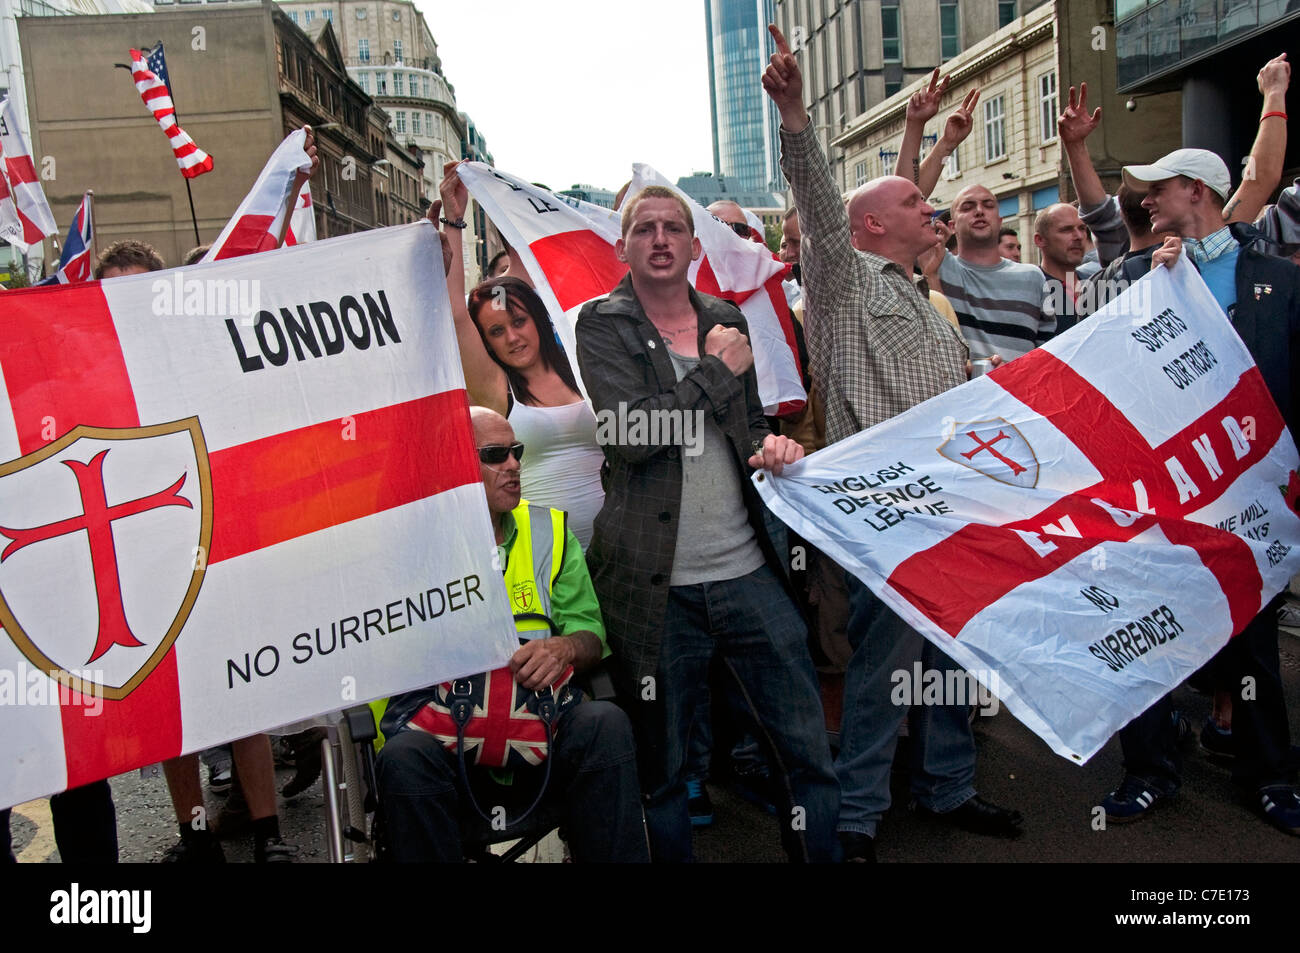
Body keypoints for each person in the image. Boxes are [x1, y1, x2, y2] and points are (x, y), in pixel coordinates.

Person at [765, 25, 1022, 862]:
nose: (933, 207)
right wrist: (798, 116)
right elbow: (816, 199)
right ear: (871, 227)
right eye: (915, 203)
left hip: (952, 501)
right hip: (887, 510)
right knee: (885, 662)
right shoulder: (840, 283)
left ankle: (946, 785)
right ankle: (859, 815)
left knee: (951, 644)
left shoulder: (922, 297)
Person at [575, 182, 840, 863]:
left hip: (749, 570)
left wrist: (774, 448)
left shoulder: (726, 316)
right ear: (623, 246)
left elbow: (745, 427)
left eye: (674, 227)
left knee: (806, 755)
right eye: (645, 228)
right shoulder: (602, 323)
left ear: (695, 246)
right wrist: (715, 371)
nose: (660, 238)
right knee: (664, 774)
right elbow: (631, 433)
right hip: (657, 588)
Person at [1094, 147, 1300, 836]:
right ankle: (1149, 770)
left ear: (1197, 190)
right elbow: (1096, 374)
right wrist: (1147, 299)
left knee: (1253, 643)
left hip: (1249, 498)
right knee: (1148, 629)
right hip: (1159, 492)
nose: (1145, 200)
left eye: (1157, 189)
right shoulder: (1131, 276)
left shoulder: (1278, 279)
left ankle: (1269, 775)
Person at [375, 407, 648, 862]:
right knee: (403, 759)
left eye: (516, 452)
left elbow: (590, 634)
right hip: (447, 750)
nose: (514, 465)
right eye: (496, 455)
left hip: (543, 732)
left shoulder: (552, 531)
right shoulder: (409, 550)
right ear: (454, 465)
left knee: (605, 723)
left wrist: (563, 648)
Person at [438, 163, 605, 548]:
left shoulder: (582, 368)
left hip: (615, 560)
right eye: (496, 331)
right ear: (486, 342)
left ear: (539, 320)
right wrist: (455, 220)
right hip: (540, 565)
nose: (512, 337)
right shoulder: (497, 389)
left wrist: (519, 216)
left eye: (519, 321)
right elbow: (453, 311)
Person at [1033, 203, 1091, 334]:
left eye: (1082, 228)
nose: (1079, 236)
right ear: (1040, 240)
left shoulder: (1096, 283)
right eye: (1066, 230)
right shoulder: (1031, 289)